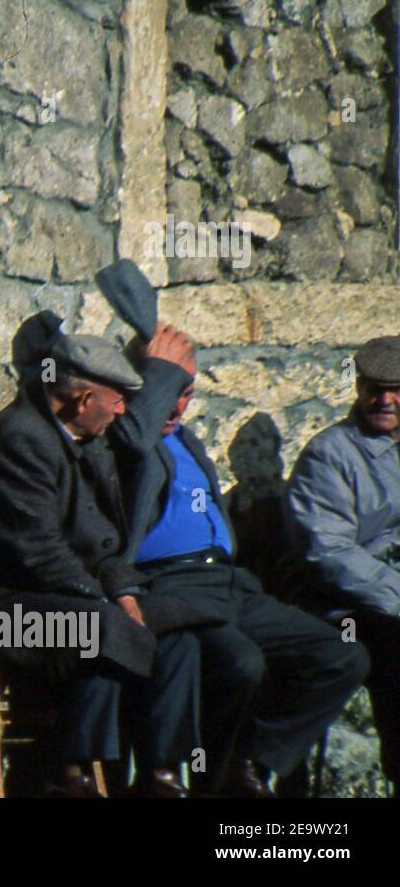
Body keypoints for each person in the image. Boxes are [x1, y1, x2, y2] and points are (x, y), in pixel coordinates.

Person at [0, 334, 202, 797]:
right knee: (98, 628)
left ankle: (160, 776)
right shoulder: (20, 439)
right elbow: (37, 552)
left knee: (176, 629)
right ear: (84, 400)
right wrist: (107, 603)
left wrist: (124, 592)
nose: (123, 412)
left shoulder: (84, 437)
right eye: (118, 401)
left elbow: (102, 541)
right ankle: (65, 772)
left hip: (54, 598)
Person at [113, 324, 367, 797]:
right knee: (241, 664)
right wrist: (153, 382)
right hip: (172, 584)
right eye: (166, 390)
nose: (176, 405)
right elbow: (132, 453)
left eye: (186, 392)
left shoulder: (185, 440)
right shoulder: (123, 440)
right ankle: (208, 782)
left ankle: (248, 761)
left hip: (229, 581)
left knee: (341, 656)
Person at [285, 334, 400, 787]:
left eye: (396, 389)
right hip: (351, 604)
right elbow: (328, 553)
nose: (385, 399)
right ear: (359, 389)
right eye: (374, 388)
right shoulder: (330, 455)